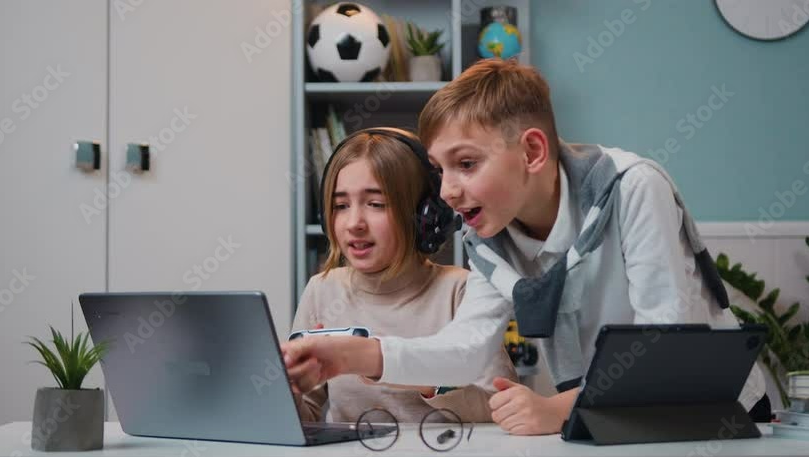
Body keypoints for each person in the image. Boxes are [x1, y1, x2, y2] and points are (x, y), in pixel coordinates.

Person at [284, 60, 769, 435]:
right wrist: (353, 355)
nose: (447, 191)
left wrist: (557, 409)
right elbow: (466, 350)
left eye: (466, 164)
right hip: (611, 418)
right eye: (440, 170)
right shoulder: (491, 237)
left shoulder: (633, 188)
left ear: (533, 152)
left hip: (713, 408)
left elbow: (663, 342)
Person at [291, 127, 516, 424]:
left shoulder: (460, 291)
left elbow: (499, 408)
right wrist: (287, 392)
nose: (354, 223)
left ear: (424, 215)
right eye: (340, 206)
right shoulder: (321, 290)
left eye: (376, 204)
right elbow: (302, 416)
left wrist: (414, 374)